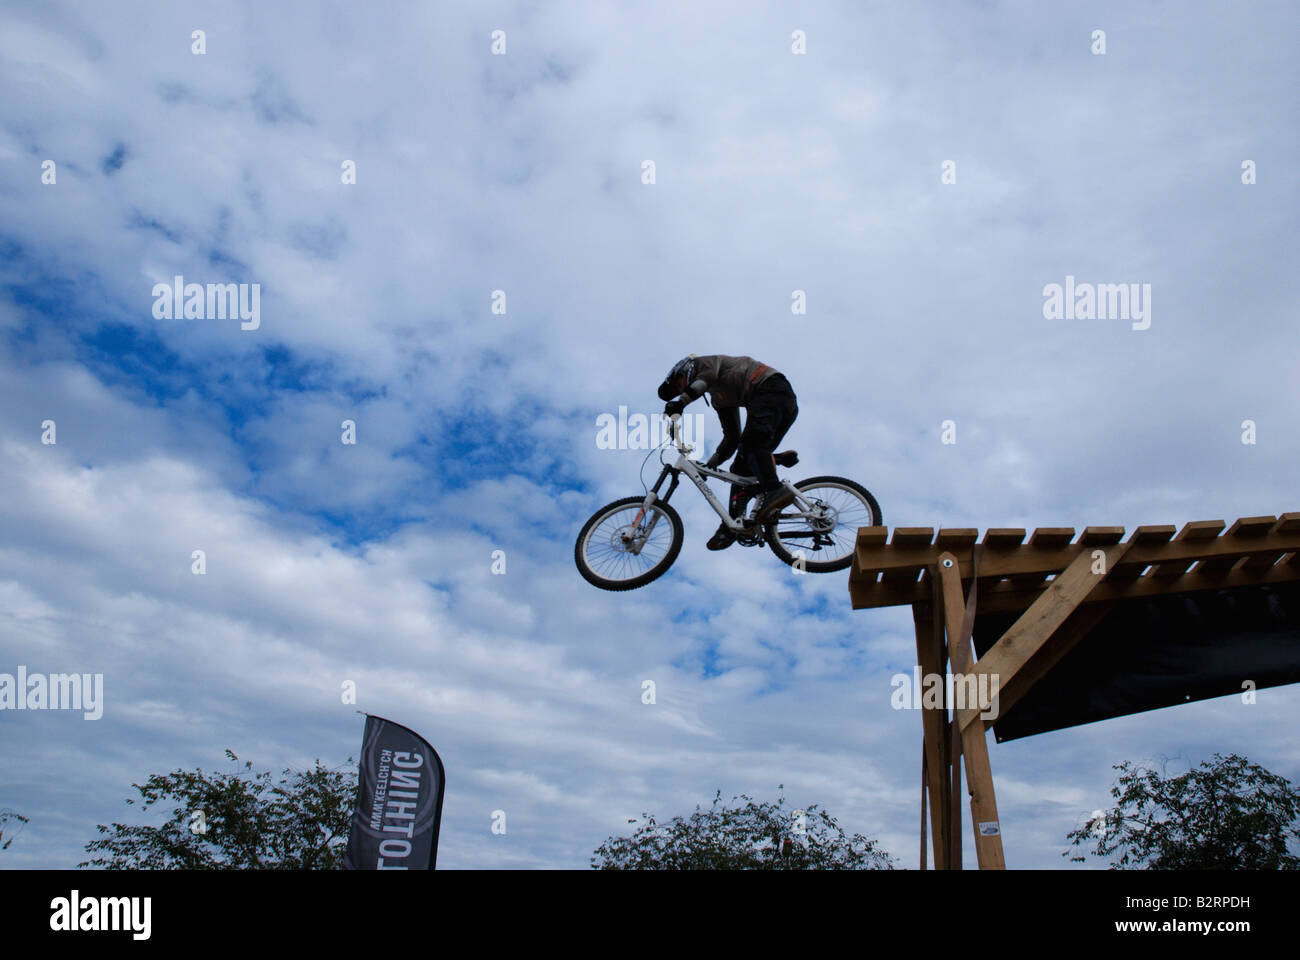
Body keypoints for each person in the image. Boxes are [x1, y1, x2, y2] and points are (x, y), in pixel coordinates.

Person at [658, 354, 799, 550]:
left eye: (678, 384)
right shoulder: (719, 399)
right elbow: (732, 437)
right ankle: (732, 525)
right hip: (779, 406)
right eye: (677, 391)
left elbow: (704, 379)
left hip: (772, 389)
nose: (681, 389)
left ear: (683, 370)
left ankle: (774, 490)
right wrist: (710, 466)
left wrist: (681, 402)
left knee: (752, 443)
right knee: (739, 468)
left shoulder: (704, 364)